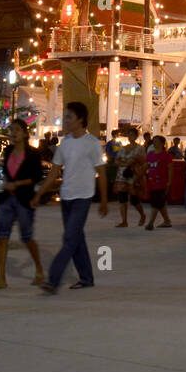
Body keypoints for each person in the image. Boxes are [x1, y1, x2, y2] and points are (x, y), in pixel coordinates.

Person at [34, 102, 109, 293]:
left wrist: (104, 201)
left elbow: (101, 172)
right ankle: (86, 278)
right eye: (65, 116)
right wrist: (40, 194)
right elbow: (54, 172)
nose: (65, 120)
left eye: (69, 117)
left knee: (69, 238)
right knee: (77, 238)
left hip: (83, 198)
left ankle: (53, 280)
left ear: (80, 120)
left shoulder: (92, 143)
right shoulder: (65, 143)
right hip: (66, 197)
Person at [0, 118, 45, 289]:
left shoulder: (33, 154)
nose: (13, 133)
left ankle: (39, 270)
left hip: (24, 200)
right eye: (11, 130)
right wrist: (6, 181)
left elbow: (36, 177)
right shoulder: (9, 150)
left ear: (25, 133)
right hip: (7, 199)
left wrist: (17, 184)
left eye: (17, 130)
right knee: (2, 236)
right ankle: (1, 278)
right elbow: (6, 171)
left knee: (26, 237)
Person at [112, 126, 147, 227]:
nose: (130, 136)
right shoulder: (123, 148)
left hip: (133, 175)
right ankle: (124, 221)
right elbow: (116, 160)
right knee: (122, 198)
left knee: (134, 199)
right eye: (129, 134)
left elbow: (143, 162)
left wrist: (133, 162)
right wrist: (125, 163)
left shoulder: (140, 148)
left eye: (132, 135)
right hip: (122, 175)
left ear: (136, 136)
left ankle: (142, 215)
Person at [143, 135, 173, 229]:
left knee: (155, 202)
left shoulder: (166, 155)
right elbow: (146, 166)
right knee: (160, 202)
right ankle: (167, 220)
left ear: (162, 143)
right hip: (151, 182)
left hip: (161, 182)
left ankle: (150, 223)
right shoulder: (150, 154)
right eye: (154, 141)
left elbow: (170, 169)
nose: (154, 143)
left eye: (156, 141)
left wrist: (169, 181)